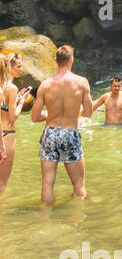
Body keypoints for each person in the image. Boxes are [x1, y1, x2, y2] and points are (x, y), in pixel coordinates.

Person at [31, 44, 92, 203]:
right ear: (71, 60)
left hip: (50, 133)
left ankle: (44, 220)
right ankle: (77, 220)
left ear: (55, 61)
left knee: (47, 184)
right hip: (69, 134)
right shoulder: (82, 82)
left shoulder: (45, 85)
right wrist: (74, 111)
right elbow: (88, 113)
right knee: (79, 183)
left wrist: (48, 114)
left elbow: (35, 117)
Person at [0, 52, 32, 195]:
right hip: (6, 135)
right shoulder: (11, 89)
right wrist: (20, 103)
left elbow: (4, 109)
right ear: (9, 67)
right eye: (19, 66)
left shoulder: (2, 87)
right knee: (2, 183)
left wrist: (14, 101)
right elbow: (12, 118)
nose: (21, 69)